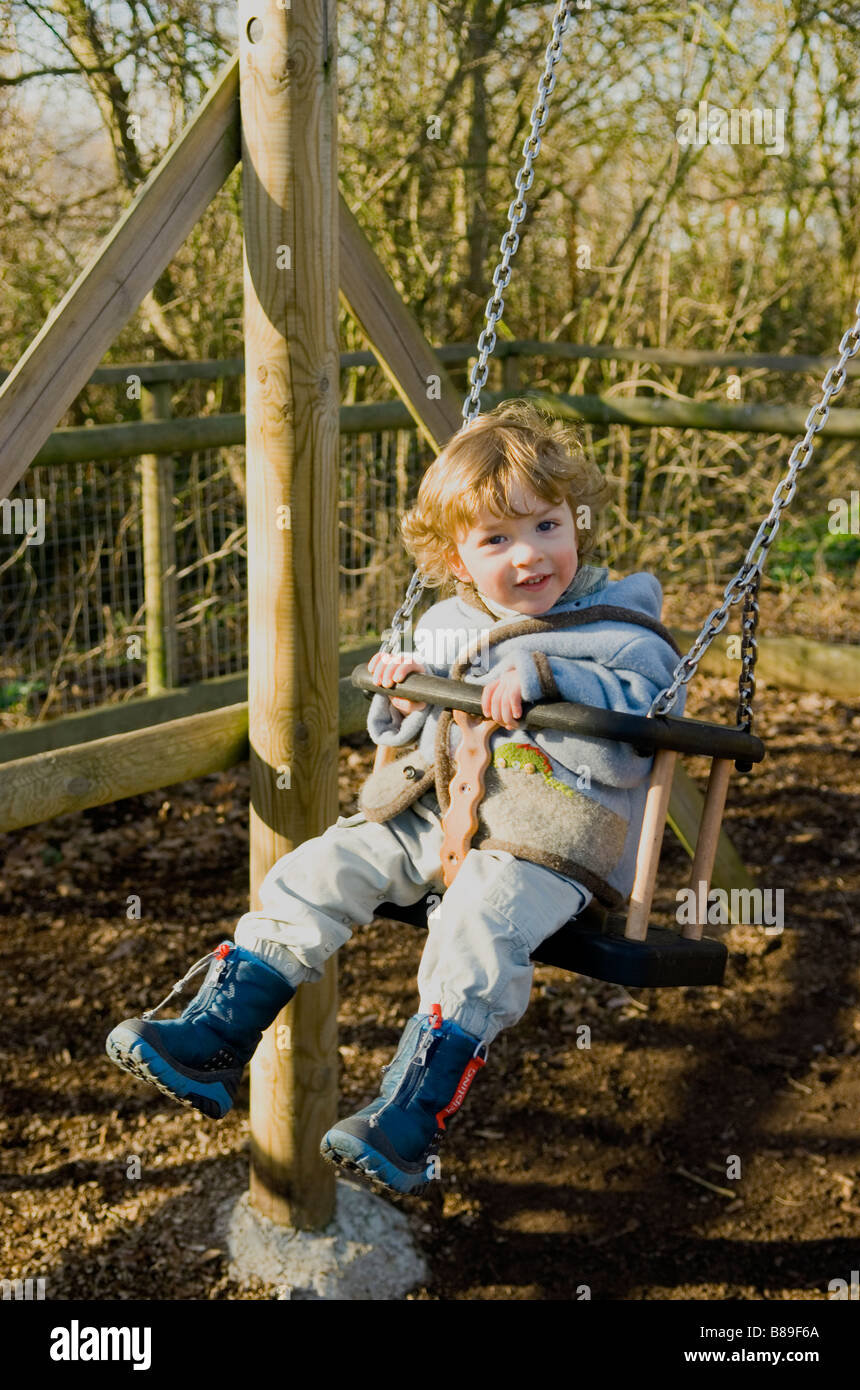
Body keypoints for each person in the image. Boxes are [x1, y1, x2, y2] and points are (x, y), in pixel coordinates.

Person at [106, 401, 686, 1194]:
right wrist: (407, 697)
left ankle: (408, 1119)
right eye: (496, 540)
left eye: (547, 526)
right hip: (432, 812)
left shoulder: (619, 629)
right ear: (456, 558)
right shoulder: (448, 620)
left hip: (545, 837)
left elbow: (645, 725)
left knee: (476, 929)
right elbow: (413, 732)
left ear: (574, 522)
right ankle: (210, 1039)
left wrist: (549, 679)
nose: (528, 556)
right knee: (319, 867)